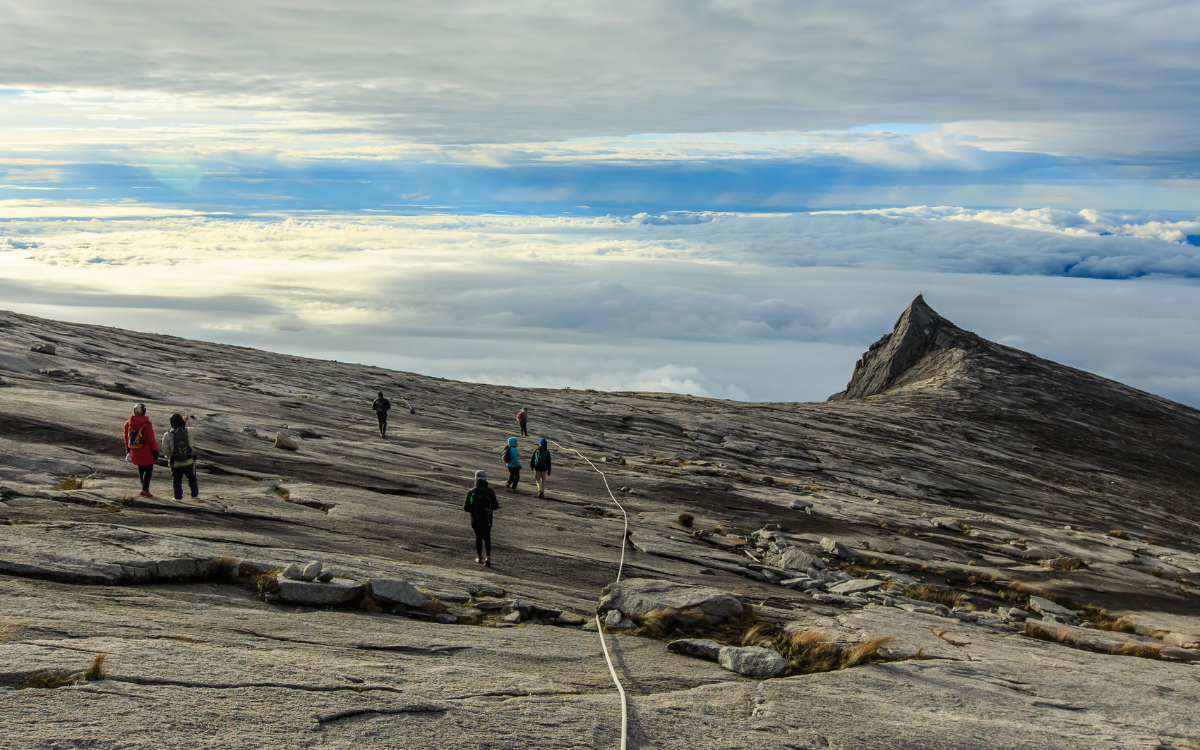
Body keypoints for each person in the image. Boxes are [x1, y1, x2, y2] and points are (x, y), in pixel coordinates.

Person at [123, 403, 160, 498]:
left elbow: (126, 438)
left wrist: (127, 450)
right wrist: (156, 450)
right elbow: (151, 439)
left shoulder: (128, 423)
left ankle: (144, 488)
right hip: (147, 451)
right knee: (148, 470)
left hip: (135, 450)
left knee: (141, 469)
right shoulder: (147, 424)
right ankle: (145, 489)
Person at [463, 470, 499, 566]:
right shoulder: (490, 492)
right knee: (487, 537)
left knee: (478, 537)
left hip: (475, 518)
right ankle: (488, 557)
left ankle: (479, 557)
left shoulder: (471, 492)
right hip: (487, 518)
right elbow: (495, 506)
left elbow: (466, 508)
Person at [161, 413, 199, 501]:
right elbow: (197, 429)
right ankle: (194, 495)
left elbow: (165, 450)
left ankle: (177, 497)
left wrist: (170, 458)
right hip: (189, 461)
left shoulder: (167, 435)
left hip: (176, 463)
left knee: (177, 480)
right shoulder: (189, 431)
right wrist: (188, 422)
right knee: (192, 478)